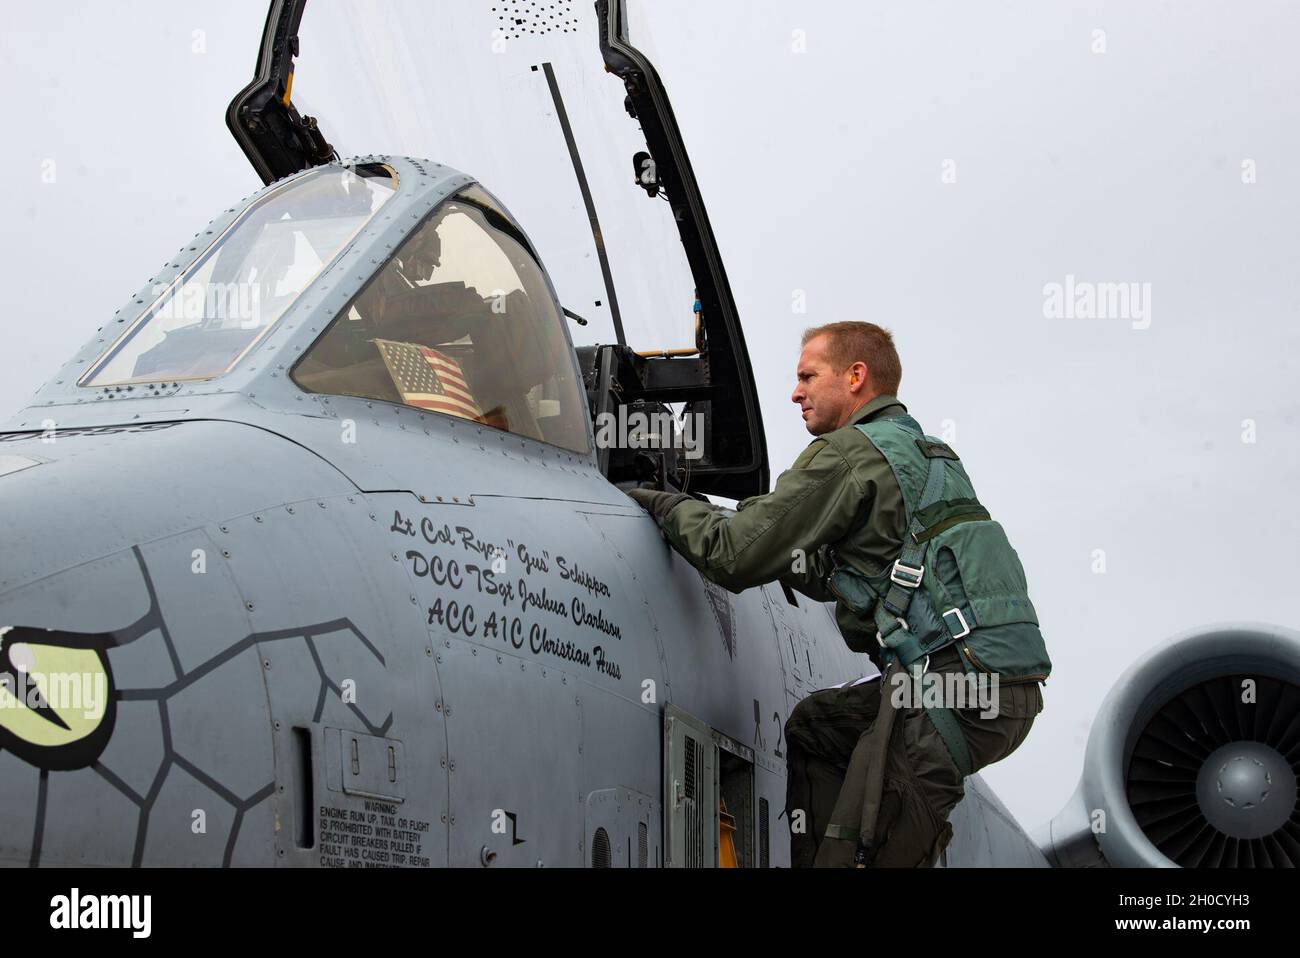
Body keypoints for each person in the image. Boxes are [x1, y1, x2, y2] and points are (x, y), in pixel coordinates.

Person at [628, 321, 1048, 867]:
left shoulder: (851, 454)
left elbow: (730, 554)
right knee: (819, 728)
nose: (795, 392)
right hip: (997, 691)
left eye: (808, 376)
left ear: (855, 377)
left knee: (858, 856)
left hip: (949, 690)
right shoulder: (925, 453)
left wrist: (662, 503)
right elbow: (848, 574)